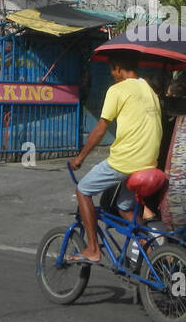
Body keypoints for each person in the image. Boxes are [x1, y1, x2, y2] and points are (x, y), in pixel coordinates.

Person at [68, 52, 162, 263]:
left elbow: (101, 128)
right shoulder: (148, 88)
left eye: (112, 69)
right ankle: (147, 243)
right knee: (125, 207)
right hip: (149, 163)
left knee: (83, 190)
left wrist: (80, 158)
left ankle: (93, 249)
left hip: (126, 161)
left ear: (118, 68)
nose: (112, 74)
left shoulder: (117, 90)